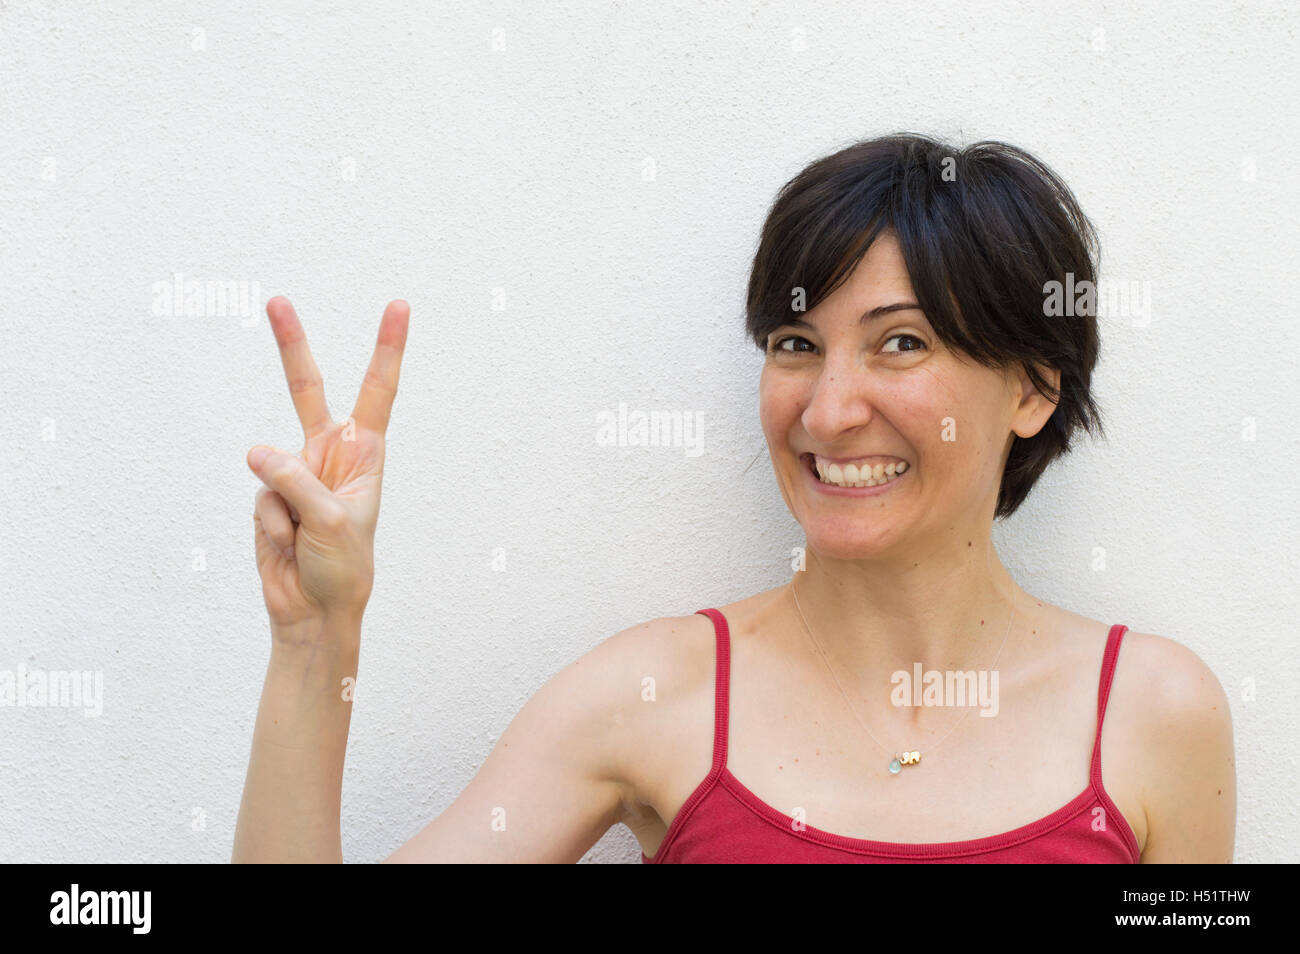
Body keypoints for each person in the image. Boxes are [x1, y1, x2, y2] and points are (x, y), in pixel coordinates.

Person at [232, 133, 1235, 863]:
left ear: (1031, 388)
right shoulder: (647, 694)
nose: (828, 409)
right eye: (795, 346)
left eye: (900, 342)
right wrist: (317, 642)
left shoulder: (1155, 714)